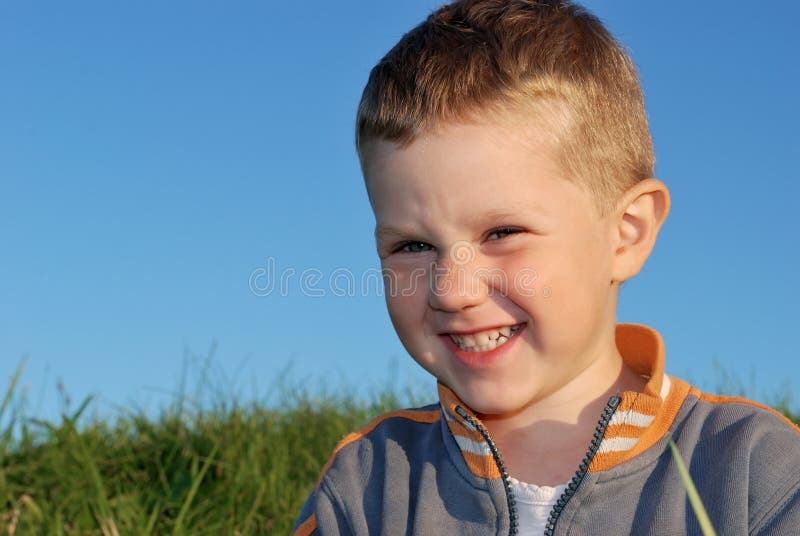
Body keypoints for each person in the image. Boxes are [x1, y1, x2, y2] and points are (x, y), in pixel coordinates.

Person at [293, 1, 800, 534]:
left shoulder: (753, 472)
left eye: (502, 233)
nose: (452, 290)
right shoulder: (369, 485)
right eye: (413, 246)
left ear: (626, 232)